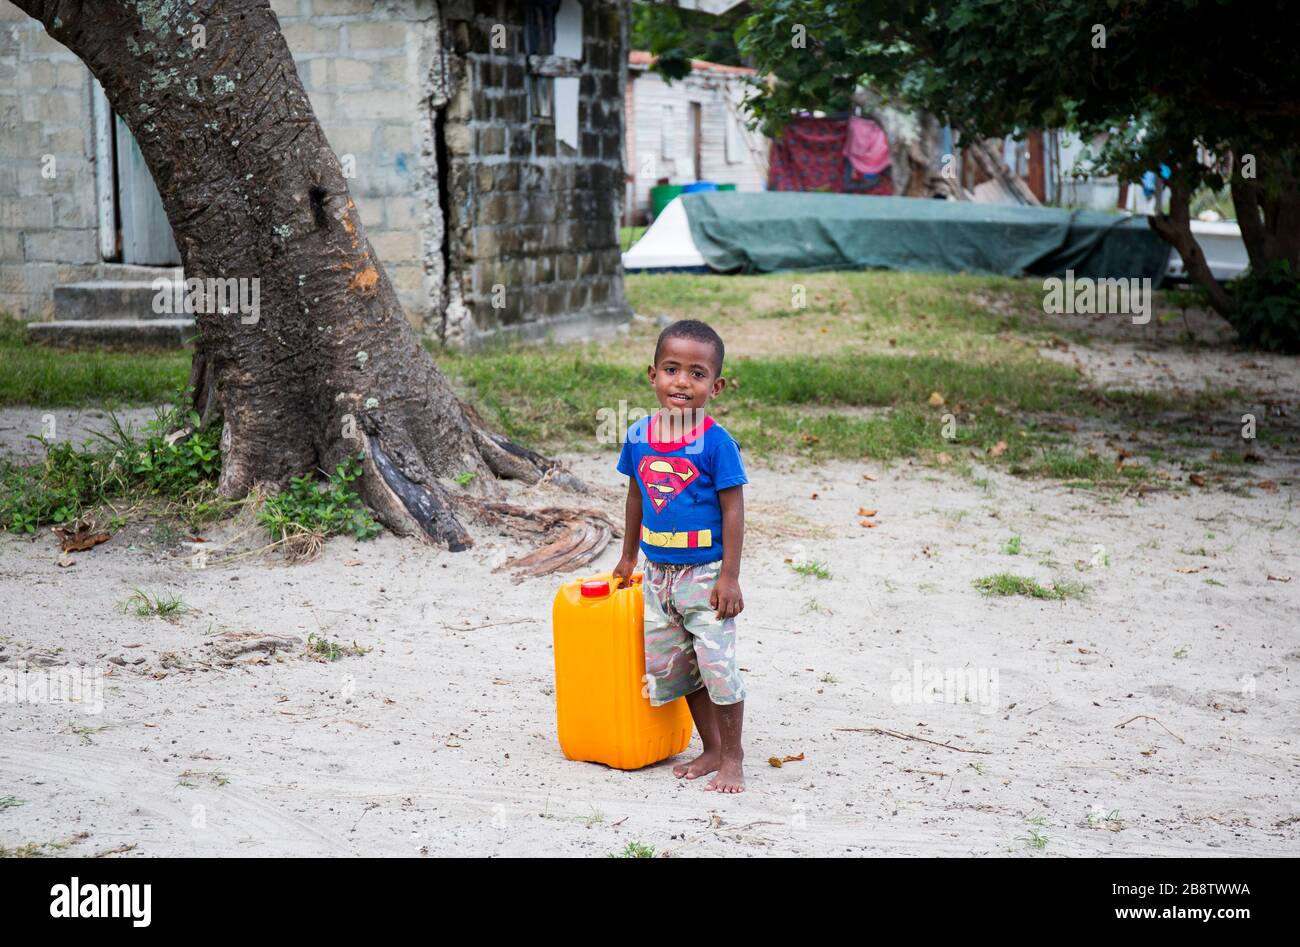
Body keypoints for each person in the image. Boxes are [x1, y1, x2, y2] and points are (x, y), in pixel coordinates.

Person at [611, 319, 748, 793]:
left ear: (717, 385)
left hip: (705, 576)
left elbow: (733, 510)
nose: (682, 382)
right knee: (679, 668)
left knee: (718, 669)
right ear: (653, 375)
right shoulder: (638, 435)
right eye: (672, 369)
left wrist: (729, 577)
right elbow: (635, 497)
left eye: (697, 373)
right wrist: (628, 556)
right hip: (655, 576)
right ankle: (709, 748)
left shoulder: (717, 443)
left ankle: (733, 758)